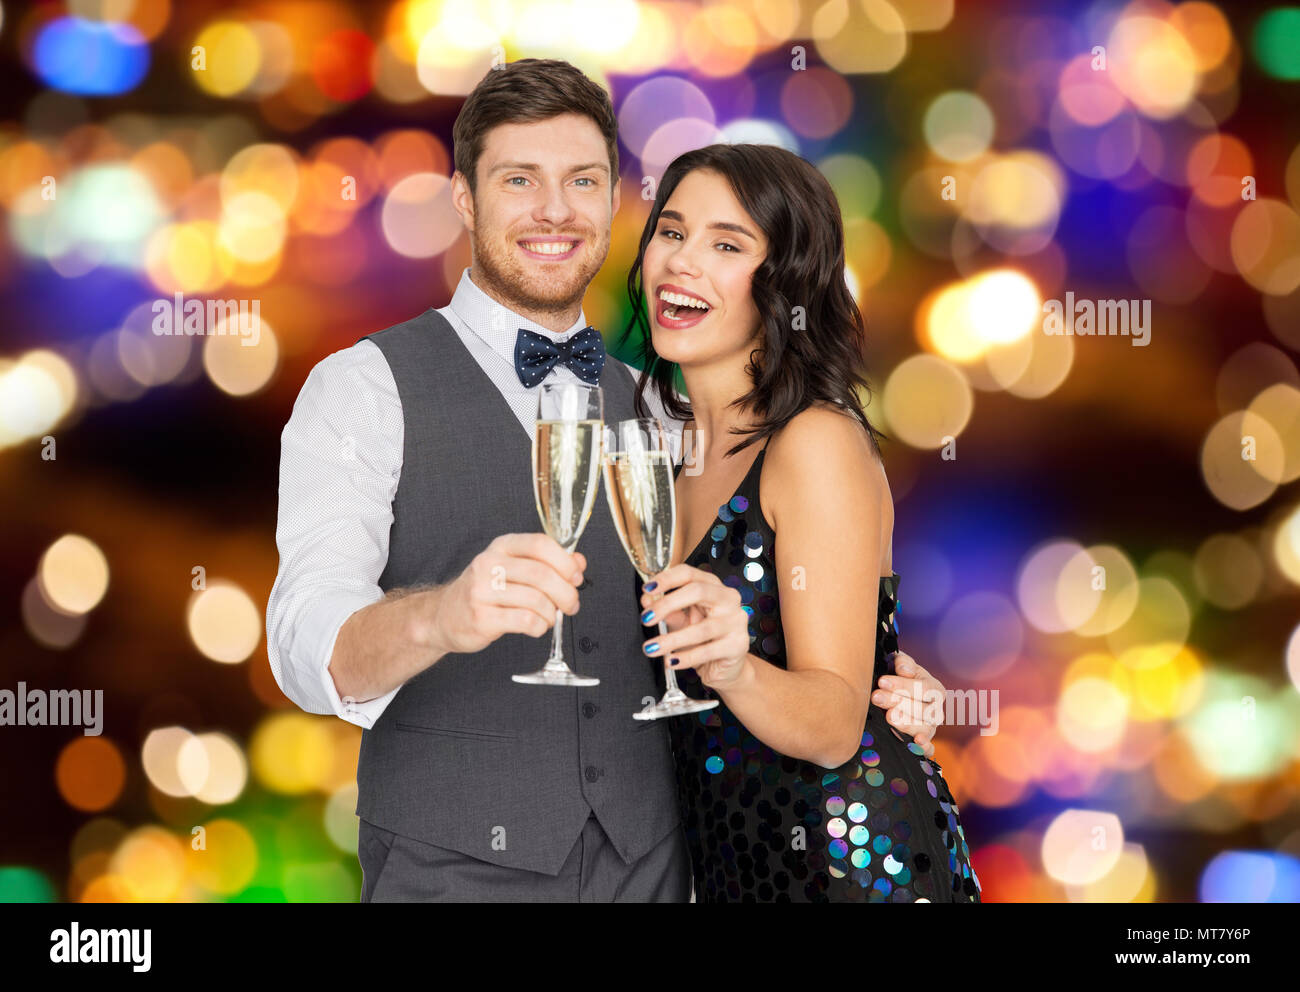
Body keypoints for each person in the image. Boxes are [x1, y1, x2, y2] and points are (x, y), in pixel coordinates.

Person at [267, 57, 945, 902]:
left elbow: (782, 613)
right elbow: (303, 644)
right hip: (448, 878)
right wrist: (441, 616)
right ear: (466, 200)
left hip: (663, 873)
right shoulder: (362, 386)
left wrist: (881, 684)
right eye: (520, 180)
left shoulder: (659, 411)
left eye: (582, 180)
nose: (555, 210)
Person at [619, 142, 980, 903]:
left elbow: (834, 724)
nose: (682, 262)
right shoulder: (658, 447)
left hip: (848, 862)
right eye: (672, 231)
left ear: (784, 282)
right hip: (726, 869)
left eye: (727, 244)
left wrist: (732, 667)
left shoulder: (814, 442)